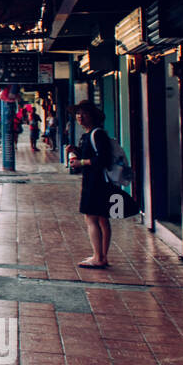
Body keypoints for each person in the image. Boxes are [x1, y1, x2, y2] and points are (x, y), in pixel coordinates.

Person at [65, 101, 113, 269]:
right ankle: (101, 255)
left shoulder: (97, 134)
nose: (80, 116)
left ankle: (98, 257)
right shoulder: (88, 135)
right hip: (94, 181)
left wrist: (81, 162)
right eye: (78, 113)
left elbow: (103, 159)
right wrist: (76, 151)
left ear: (92, 115)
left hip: (96, 182)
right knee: (101, 219)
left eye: (84, 113)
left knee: (91, 218)